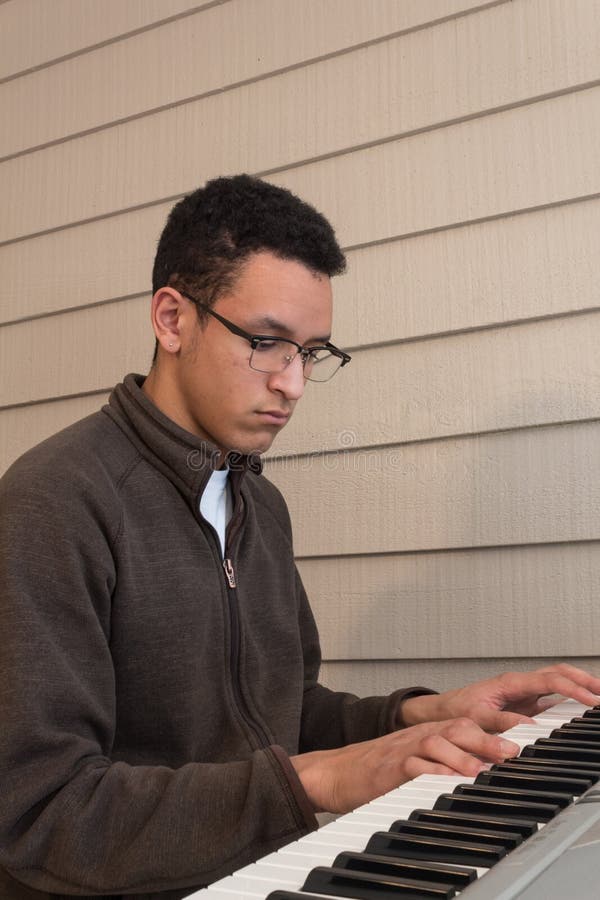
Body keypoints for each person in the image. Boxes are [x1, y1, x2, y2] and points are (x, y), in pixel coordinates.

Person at [0, 174, 598, 900]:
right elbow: (38, 816)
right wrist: (319, 779)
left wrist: (425, 714)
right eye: (267, 343)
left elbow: (282, 714)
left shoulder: (259, 502)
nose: (293, 384)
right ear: (171, 318)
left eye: (311, 352)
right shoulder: (52, 502)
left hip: (273, 872)